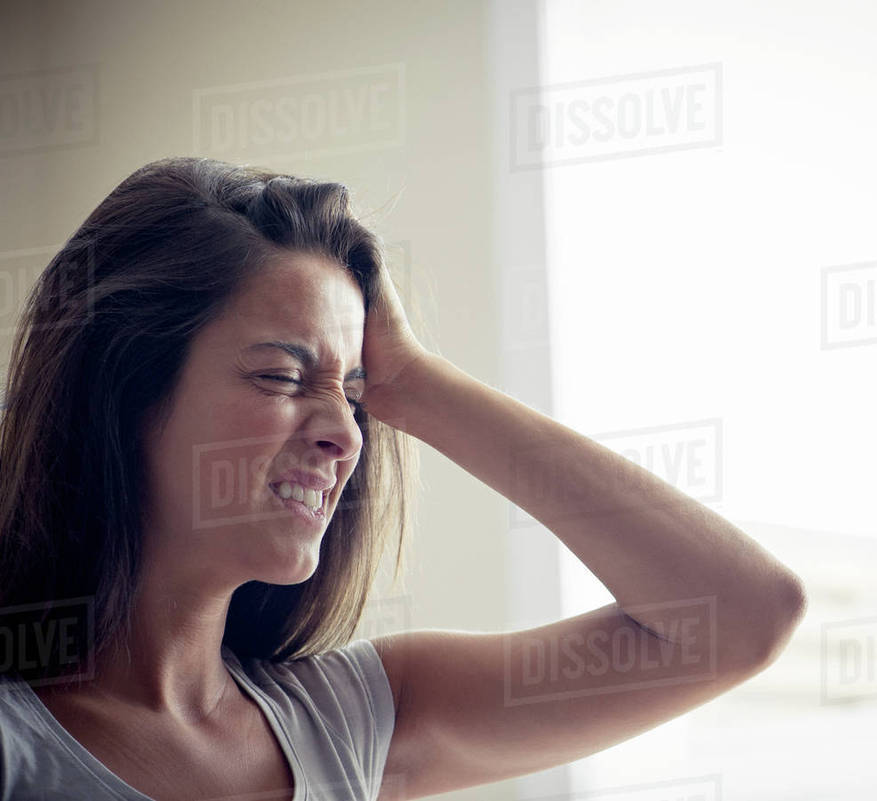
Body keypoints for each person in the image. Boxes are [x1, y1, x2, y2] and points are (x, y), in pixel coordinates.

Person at [0, 157, 807, 800]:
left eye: (354, 393)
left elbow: (740, 615)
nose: (345, 433)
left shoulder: (351, 721)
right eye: (283, 378)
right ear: (126, 393)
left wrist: (413, 382)